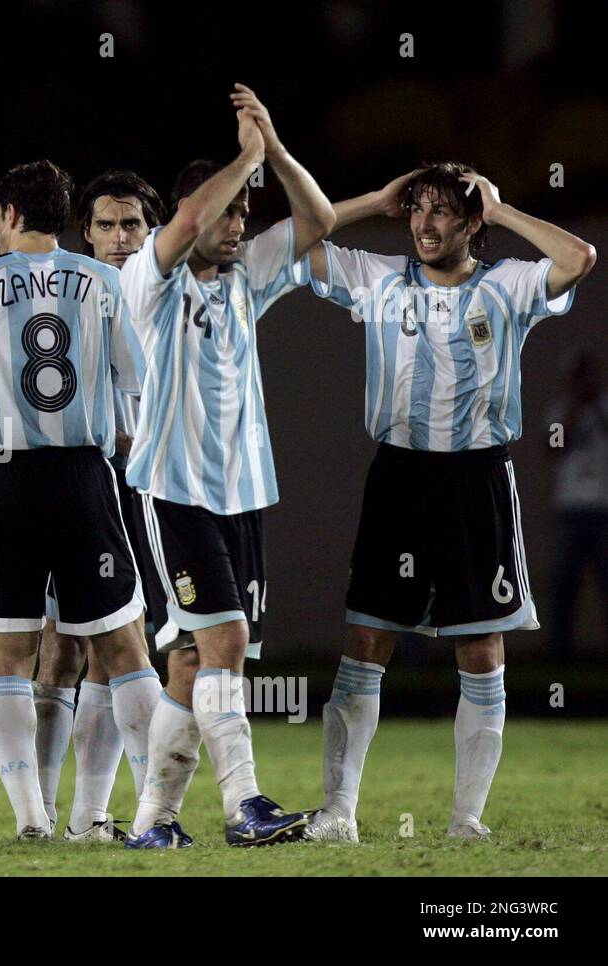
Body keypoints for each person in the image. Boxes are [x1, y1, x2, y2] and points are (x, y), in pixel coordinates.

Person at [302, 162, 596, 842]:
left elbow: (578, 257)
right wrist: (371, 200)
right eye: (416, 211)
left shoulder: (508, 285)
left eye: (441, 213)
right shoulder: (377, 279)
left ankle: (467, 819)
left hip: (478, 481)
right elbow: (293, 242)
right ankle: (339, 812)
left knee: (482, 648)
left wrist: (503, 207)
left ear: (470, 225)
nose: (423, 225)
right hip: (401, 479)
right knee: (368, 640)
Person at [0, 159, 160, 839]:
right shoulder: (105, 281)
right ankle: (152, 813)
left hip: (5, 479)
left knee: (8, 655)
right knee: (120, 645)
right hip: (85, 476)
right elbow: (131, 386)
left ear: (6, 214)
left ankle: (32, 818)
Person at [123, 86, 334, 849]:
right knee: (228, 642)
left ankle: (154, 822)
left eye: (245, 212)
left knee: (191, 661)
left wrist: (271, 151)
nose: (238, 224)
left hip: (242, 492)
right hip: (171, 489)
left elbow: (319, 220)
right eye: (228, 211)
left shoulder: (249, 277)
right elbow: (181, 222)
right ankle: (246, 804)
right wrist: (244, 156)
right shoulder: (147, 281)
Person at [34, 170, 168, 841]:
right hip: (86, 479)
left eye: (133, 226)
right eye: (108, 226)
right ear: (84, 232)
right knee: (67, 649)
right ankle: (55, 818)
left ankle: (93, 817)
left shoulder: (166, 291)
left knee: (118, 646)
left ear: (153, 231)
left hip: (148, 484)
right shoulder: (63, 296)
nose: (120, 239)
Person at [543, 350, 608, 660]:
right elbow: (553, 446)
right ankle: (558, 653)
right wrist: (574, 407)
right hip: (571, 510)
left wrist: (594, 406)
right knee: (563, 586)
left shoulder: (605, 407)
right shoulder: (561, 411)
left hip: (604, 509)